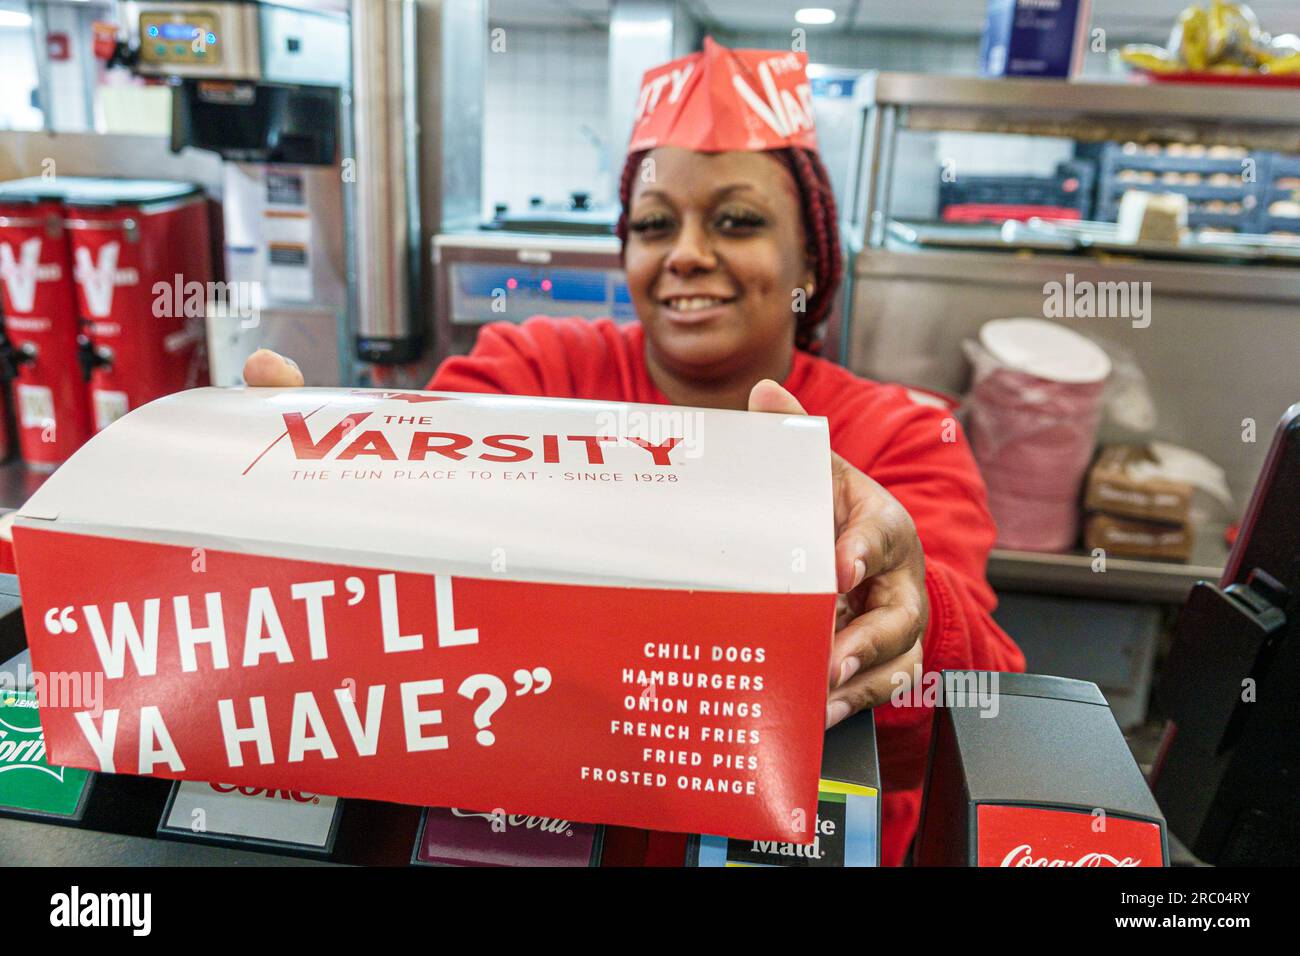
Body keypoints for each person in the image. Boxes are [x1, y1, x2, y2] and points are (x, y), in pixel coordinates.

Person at [244, 38, 1025, 866]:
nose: (686, 251)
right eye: (656, 223)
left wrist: (904, 612)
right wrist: (311, 496)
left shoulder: (901, 432)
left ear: (811, 258)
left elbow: (975, 722)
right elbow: (411, 549)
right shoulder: (534, 370)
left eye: (737, 220)